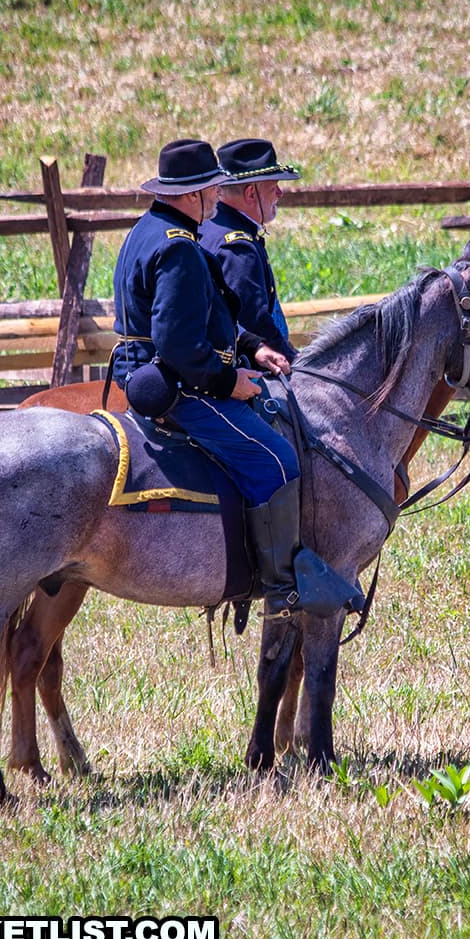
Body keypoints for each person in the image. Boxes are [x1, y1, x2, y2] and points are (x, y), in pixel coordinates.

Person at [112, 138, 359, 619]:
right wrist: (229, 383)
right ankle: (283, 586)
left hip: (148, 368)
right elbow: (180, 345)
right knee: (277, 458)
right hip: (179, 384)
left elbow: (207, 314)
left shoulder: (152, 228)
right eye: (211, 189)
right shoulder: (178, 248)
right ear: (191, 195)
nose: (216, 197)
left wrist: (250, 345)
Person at [201, 138, 299, 362]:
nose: (280, 194)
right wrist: (293, 358)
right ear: (251, 195)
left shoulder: (210, 225)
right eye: (273, 187)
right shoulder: (237, 247)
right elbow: (254, 322)